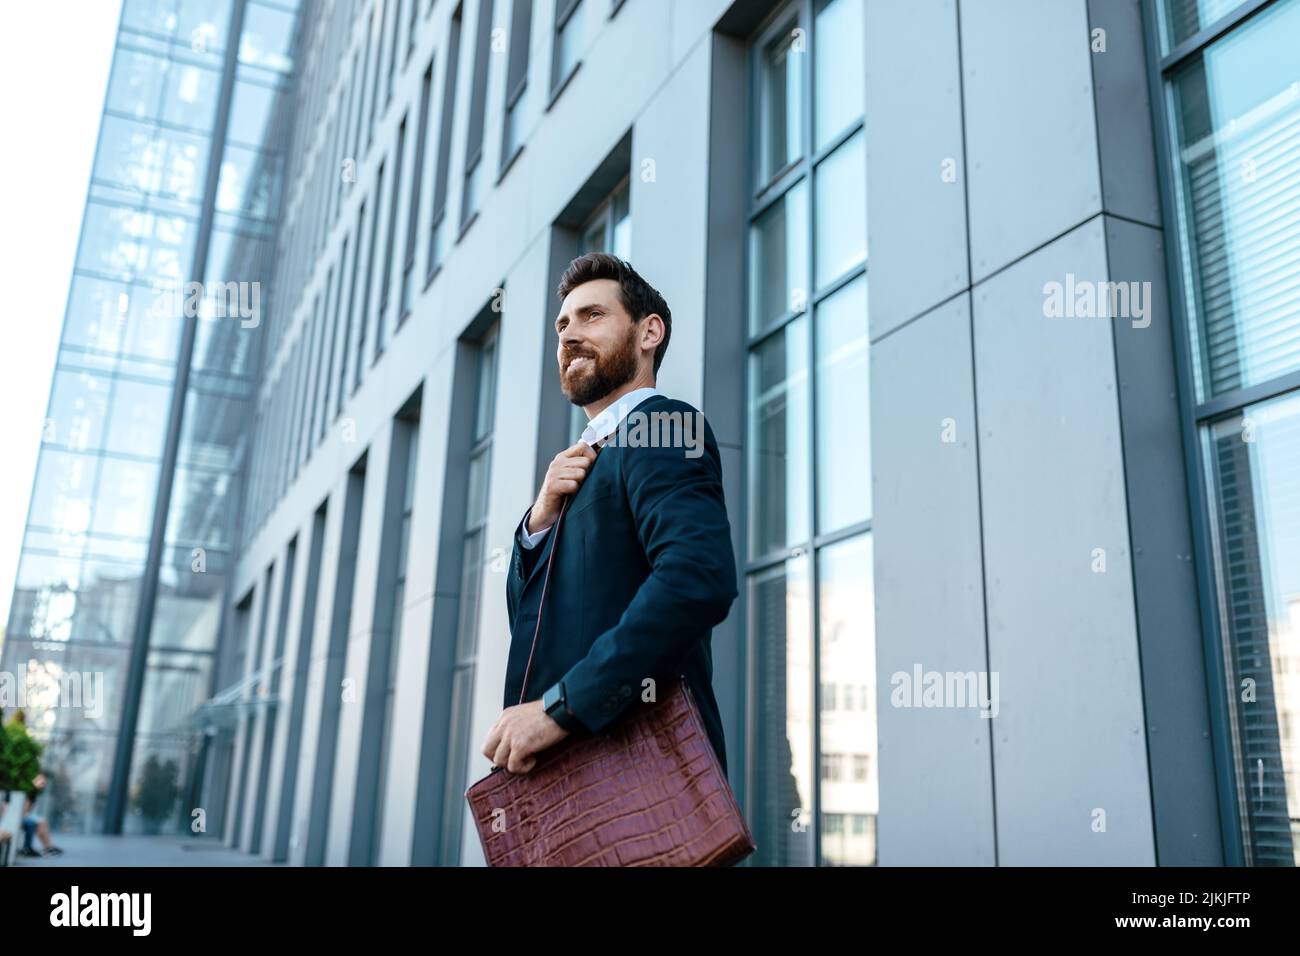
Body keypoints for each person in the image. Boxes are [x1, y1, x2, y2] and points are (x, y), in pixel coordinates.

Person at [484, 252, 738, 779]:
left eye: (592, 316)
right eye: (563, 323)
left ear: (649, 333)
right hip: (567, 788)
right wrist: (539, 525)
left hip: (637, 782)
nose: (569, 334)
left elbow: (697, 577)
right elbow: (535, 630)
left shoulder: (663, 424)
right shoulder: (582, 465)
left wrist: (562, 707)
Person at [19, 773, 62, 858]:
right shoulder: (30, 791)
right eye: (40, 781)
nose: (42, 784)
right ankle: (47, 847)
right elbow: (24, 810)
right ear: (33, 780)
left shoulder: (34, 791)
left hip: (25, 814)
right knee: (41, 822)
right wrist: (25, 816)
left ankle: (48, 846)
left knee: (43, 822)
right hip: (21, 815)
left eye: (44, 782)